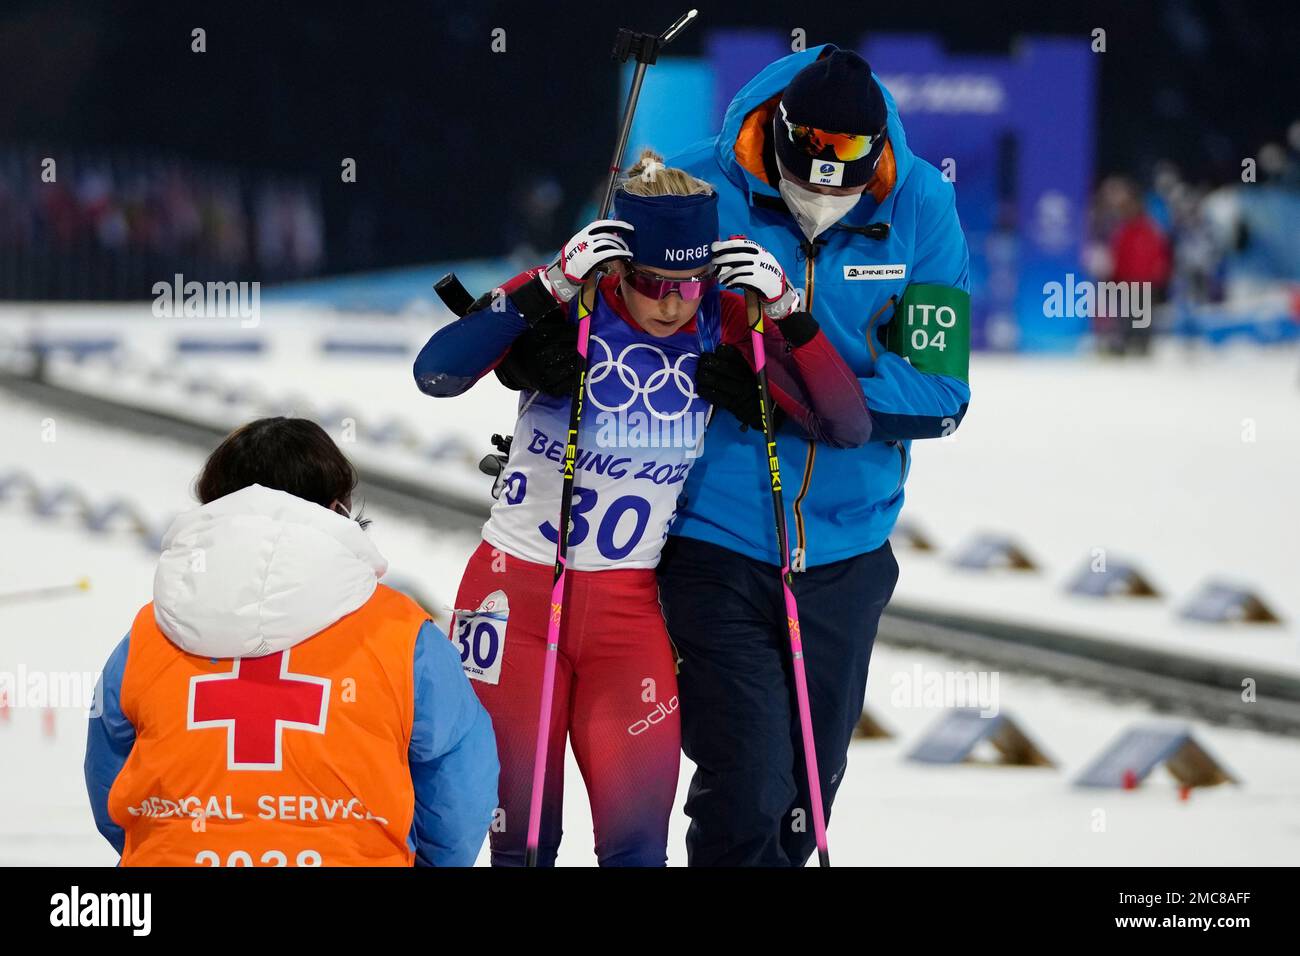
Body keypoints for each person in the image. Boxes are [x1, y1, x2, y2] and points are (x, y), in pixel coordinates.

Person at [498, 47, 976, 866]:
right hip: (710, 537)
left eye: (841, 184)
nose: (819, 198)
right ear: (779, 141)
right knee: (748, 780)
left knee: (806, 797)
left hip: (847, 549)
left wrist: (789, 388)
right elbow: (591, 306)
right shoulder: (695, 187)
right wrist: (542, 346)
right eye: (804, 178)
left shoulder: (924, 205)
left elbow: (940, 397)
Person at [413, 148, 870, 867]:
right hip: (515, 598)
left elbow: (847, 424)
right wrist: (545, 286)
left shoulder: (721, 320)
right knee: (523, 843)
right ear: (619, 267)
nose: (672, 303)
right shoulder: (577, 303)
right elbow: (434, 373)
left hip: (627, 614)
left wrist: (789, 312)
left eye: (691, 283)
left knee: (635, 852)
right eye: (654, 283)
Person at [84, 417, 498, 867]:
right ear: (338, 508)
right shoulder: (404, 635)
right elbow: (460, 782)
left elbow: (110, 777)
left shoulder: (151, 633)